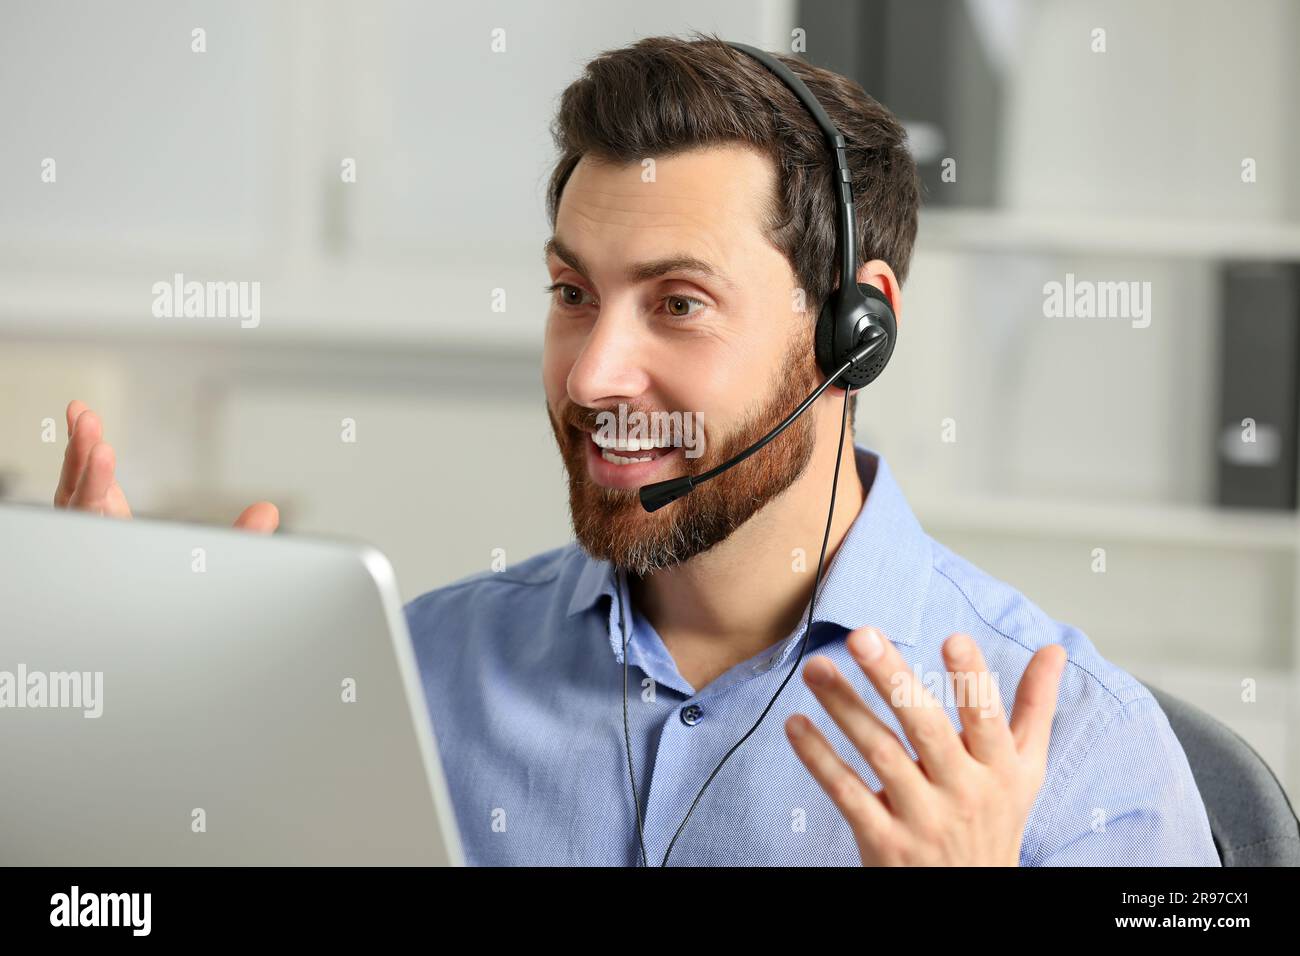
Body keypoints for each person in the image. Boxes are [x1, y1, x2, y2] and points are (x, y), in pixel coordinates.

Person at [52, 34, 1219, 867]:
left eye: (676, 303)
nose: (591, 373)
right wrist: (117, 754)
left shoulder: (1077, 755)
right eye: (572, 291)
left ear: (853, 332)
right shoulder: (407, 683)